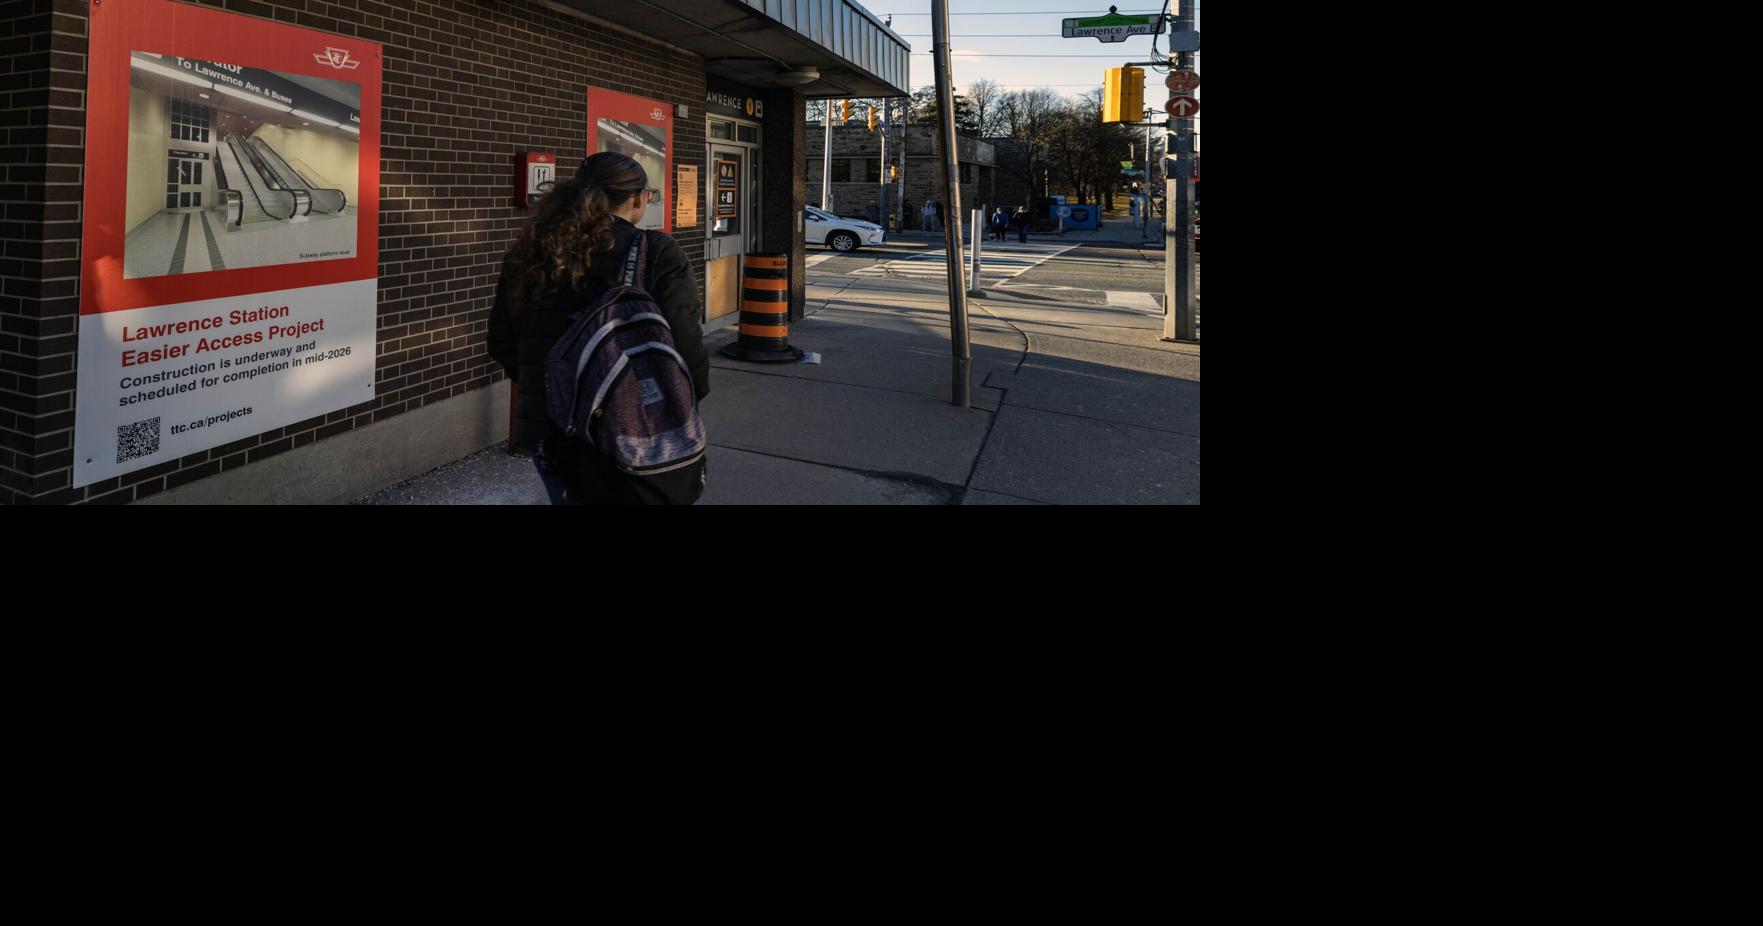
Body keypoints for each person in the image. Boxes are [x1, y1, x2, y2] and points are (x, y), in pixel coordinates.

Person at [487, 151, 708, 505]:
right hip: (632, 427)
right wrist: (679, 402)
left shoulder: (531, 251)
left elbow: (501, 341)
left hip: (553, 428)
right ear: (638, 198)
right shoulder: (657, 252)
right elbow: (685, 345)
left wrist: (548, 387)